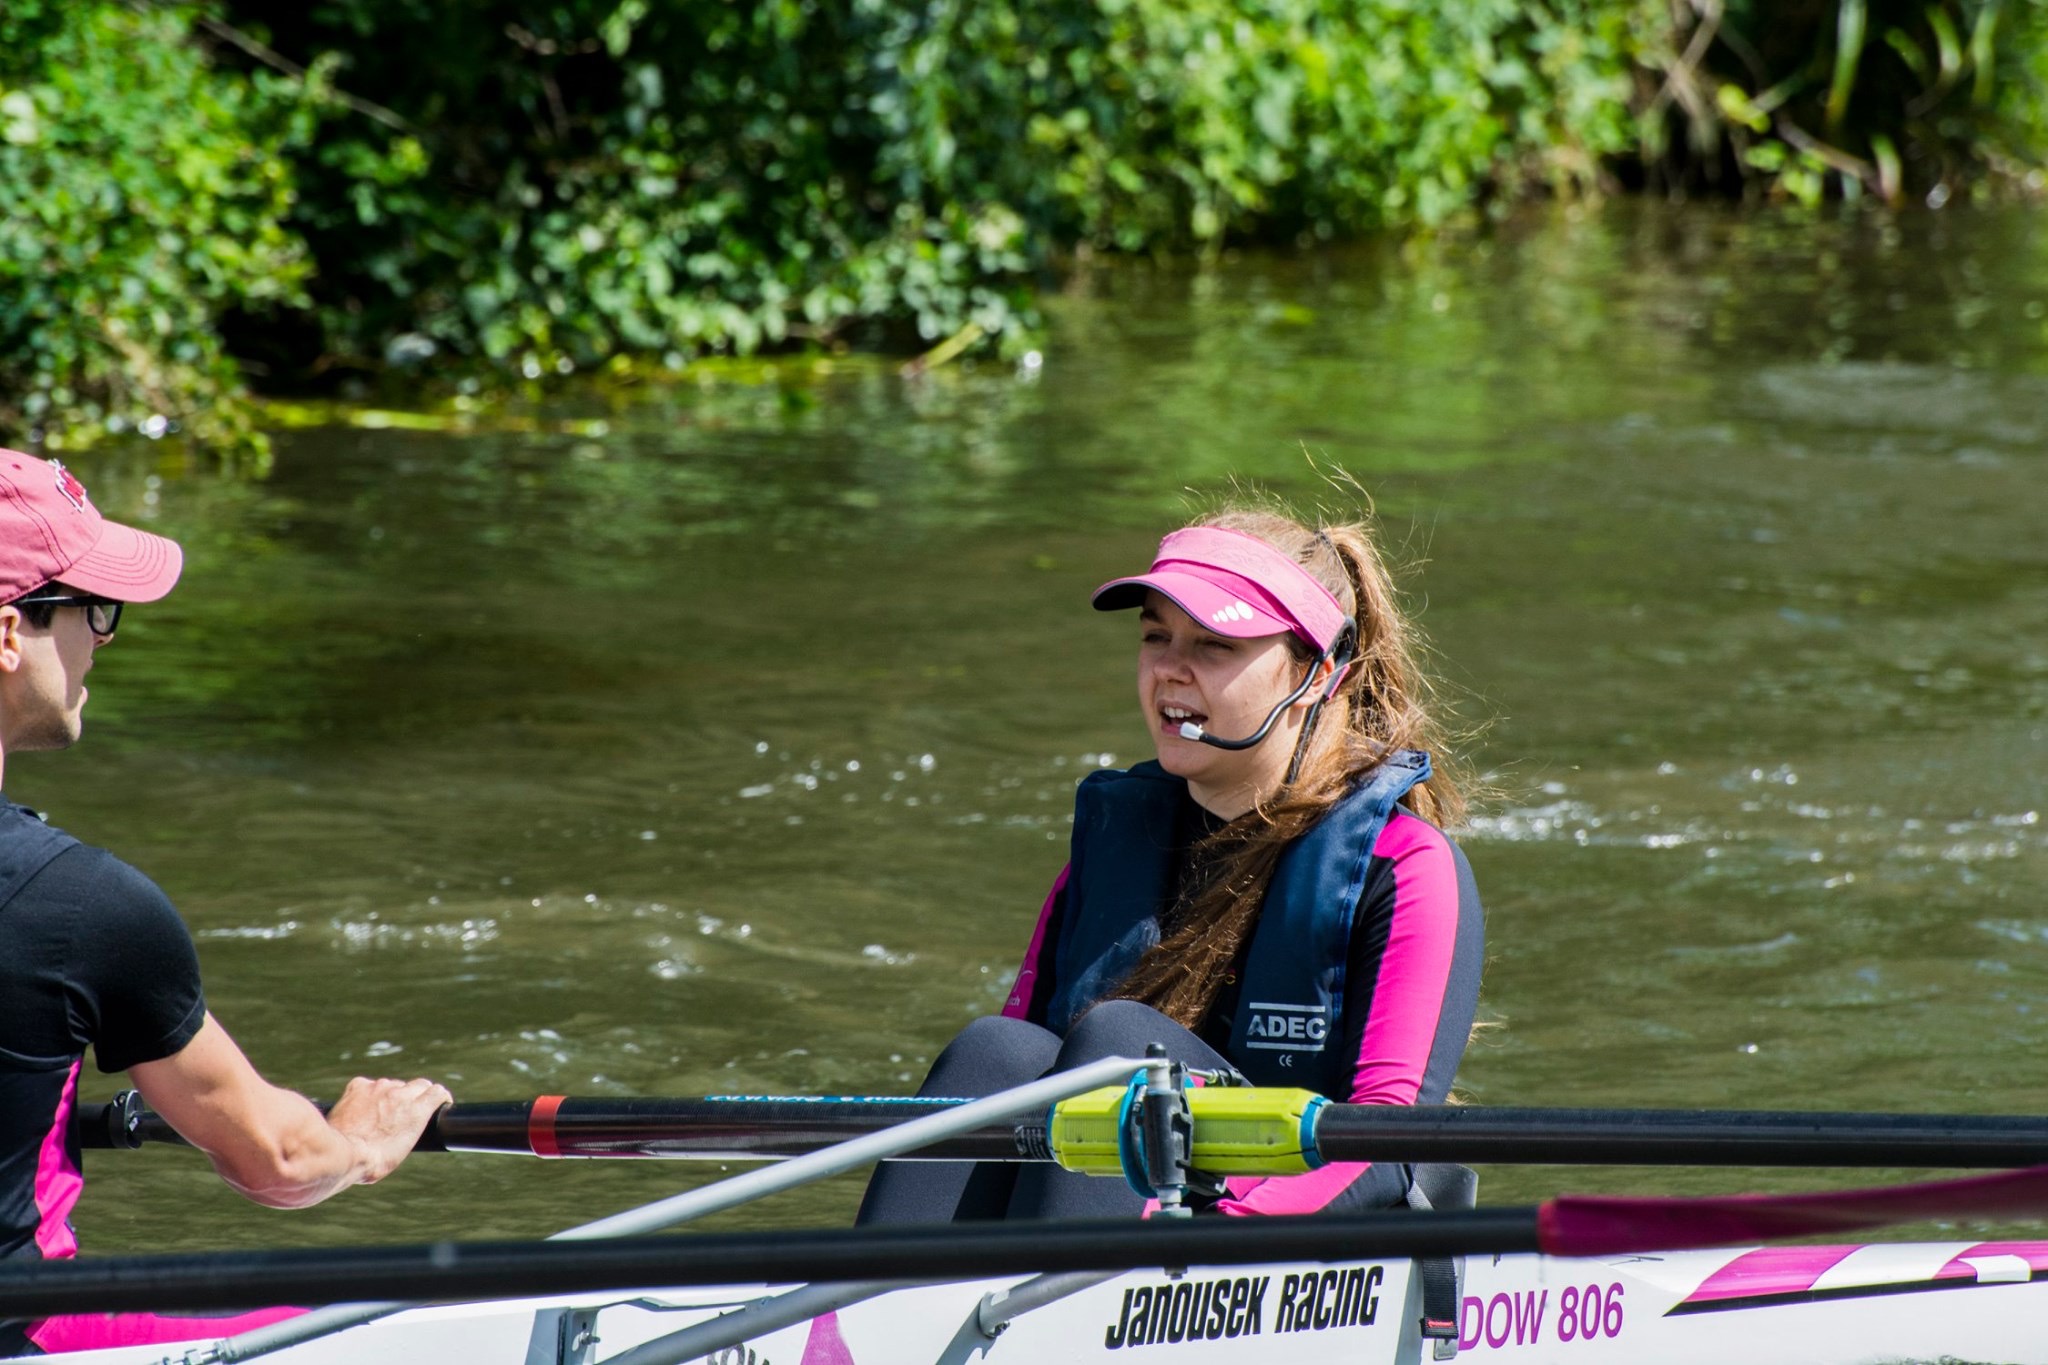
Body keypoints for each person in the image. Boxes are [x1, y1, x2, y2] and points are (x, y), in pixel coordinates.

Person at [859, 504, 1483, 1223]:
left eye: (1214, 645)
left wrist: (1231, 1234)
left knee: (1122, 1046)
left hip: (1274, 1235)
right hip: (1118, 1220)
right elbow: (1014, 1085)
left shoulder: (1405, 866)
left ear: (1318, 672)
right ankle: (870, 1290)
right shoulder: (1108, 851)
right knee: (996, 1051)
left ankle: (1068, 1285)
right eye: (1157, 636)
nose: (1169, 670)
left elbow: (1387, 1139)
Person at [0, 451, 452, 1356]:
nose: (103, 638)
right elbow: (278, 1159)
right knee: (378, 1328)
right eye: (94, 608)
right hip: (23, 1331)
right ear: (8, 634)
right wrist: (360, 1143)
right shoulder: (81, 905)